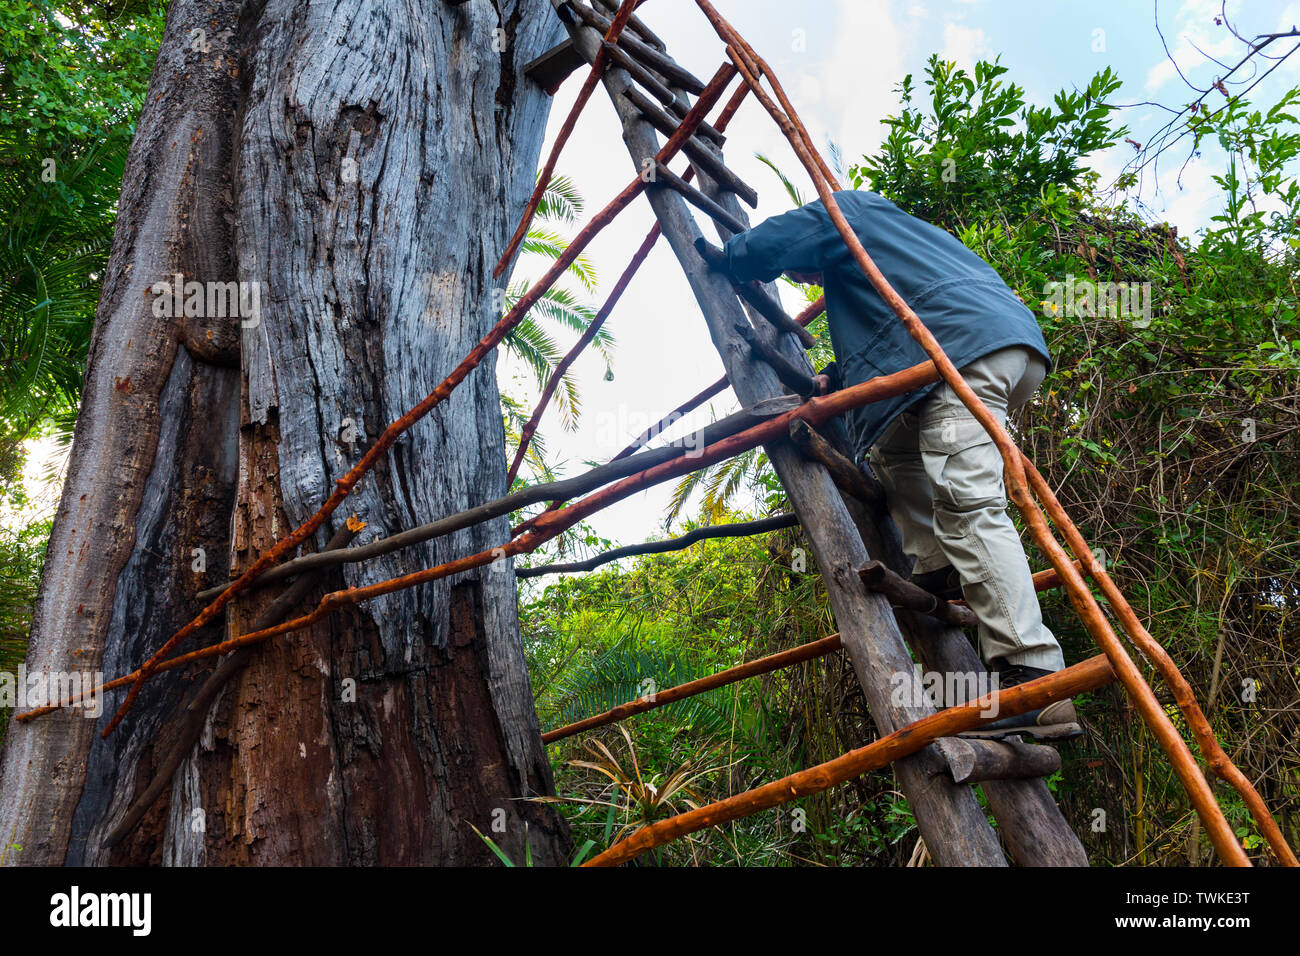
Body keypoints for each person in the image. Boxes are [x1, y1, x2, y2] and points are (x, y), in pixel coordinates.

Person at [717, 189, 1079, 740]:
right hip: (980, 345)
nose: (807, 280)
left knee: (968, 503)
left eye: (801, 271)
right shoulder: (896, 250)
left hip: (965, 352)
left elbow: (784, 235)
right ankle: (939, 565)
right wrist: (837, 378)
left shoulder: (847, 212)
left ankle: (1034, 677)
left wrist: (731, 256)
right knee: (897, 448)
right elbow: (894, 332)